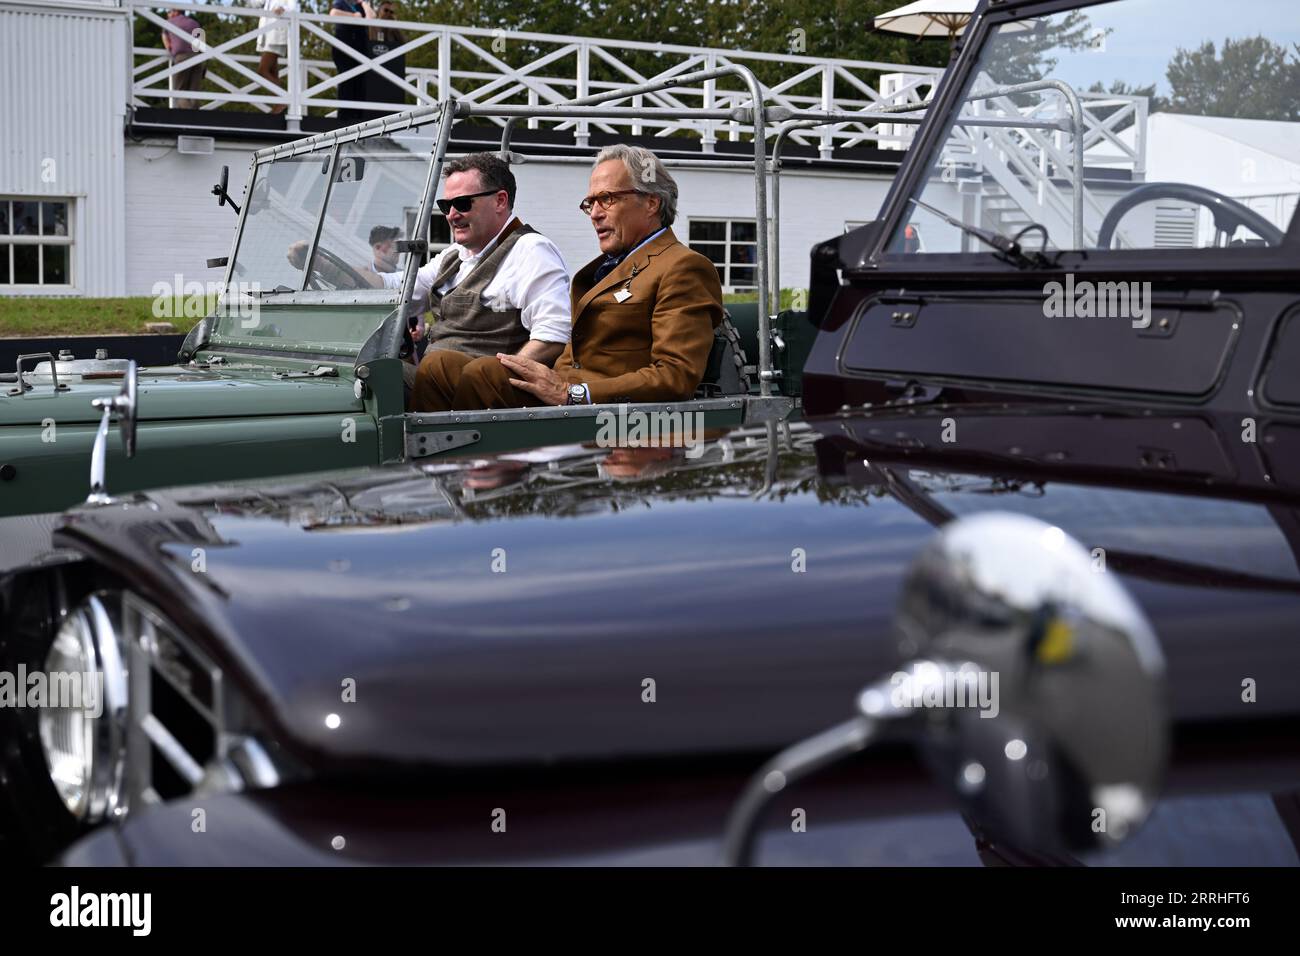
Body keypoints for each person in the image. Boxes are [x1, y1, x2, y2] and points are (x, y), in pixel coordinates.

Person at [413, 144, 722, 412]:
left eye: (607, 199)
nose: (595, 213)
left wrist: (572, 393)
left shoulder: (684, 267)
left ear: (651, 202)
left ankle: (466, 468)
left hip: (597, 413)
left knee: (485, 373)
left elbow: (675, 377)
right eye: (590, 203)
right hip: (563, 391)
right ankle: (430, 468)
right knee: (440, 365)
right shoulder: (605, 267)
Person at [400, 153, 571, 410]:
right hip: (436, 379)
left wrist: (494, 376)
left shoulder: (531, 250)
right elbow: (402, 293)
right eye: (446, 206)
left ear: (500, 201)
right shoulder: (453, 255)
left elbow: (552, 336)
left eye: (463, 203)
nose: (452, 215)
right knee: (371, 373)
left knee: (437, 366)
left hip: (481, 393)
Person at [246, 0, 297, 115]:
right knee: (272, 72)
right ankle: (279, 104)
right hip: (267, 34)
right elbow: (256, 4)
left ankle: (282, 100)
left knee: (262, 71)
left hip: (277, 33)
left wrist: (284, 10)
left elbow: (293, 8)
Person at [330, 0, 374, 122]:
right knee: (346, 79)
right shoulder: (341, 3)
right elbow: (333, 13)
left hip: (360, 45)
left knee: (360, 80)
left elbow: (371, 19)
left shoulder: (361, 6)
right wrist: (353, 16)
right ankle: (345, 115)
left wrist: (365, 4)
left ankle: (358, 114)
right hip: (344, 43)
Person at [366, 1, 408, 114]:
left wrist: (395, 26)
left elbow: (405, 44)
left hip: (392, 72)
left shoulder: (394, 29)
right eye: (386, 10)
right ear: (379, 11)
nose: (388, 13)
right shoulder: (372, 26)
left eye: (391, 12)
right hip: (372, 73)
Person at [163, 8, 206, 110]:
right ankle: (197, 119)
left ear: (175, 12)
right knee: (194, 92)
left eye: (169, 12)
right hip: (197, 58)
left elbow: (166, 42)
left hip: (181, 57)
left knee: (179, 92)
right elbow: (201, 44)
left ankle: (190, 115)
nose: (168, 14)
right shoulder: (194, 23)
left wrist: (171, 51)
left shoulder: (169, 23)